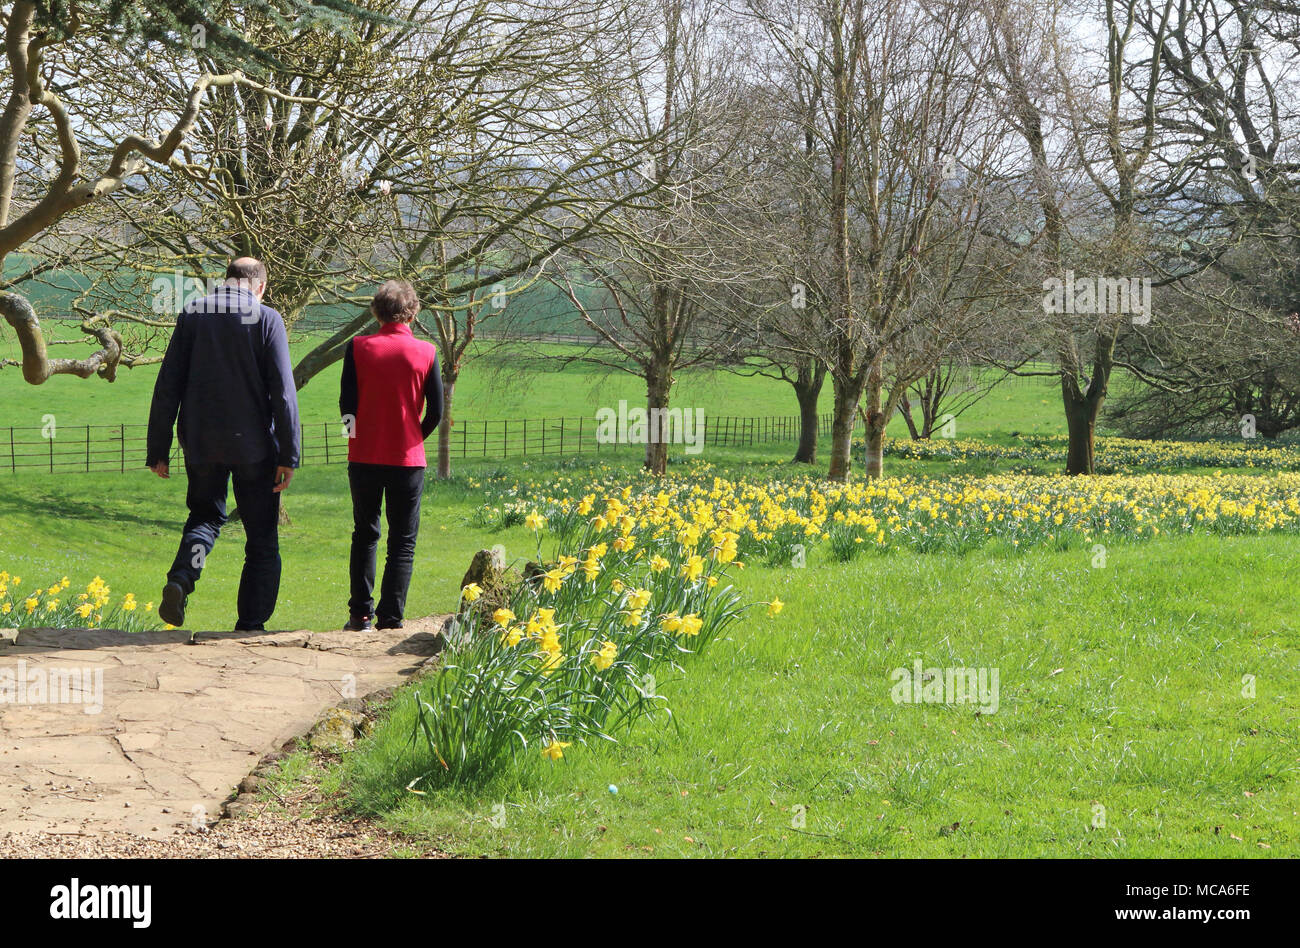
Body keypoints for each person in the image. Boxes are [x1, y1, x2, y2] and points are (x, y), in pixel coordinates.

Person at [146, 258, 301, 631]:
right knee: (261, 536)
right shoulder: (267, 319)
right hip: (254, 448)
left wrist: (158, 448)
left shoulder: (192, 314)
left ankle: (182, 578)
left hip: (200, 443)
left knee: (205, 517)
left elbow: (168, 385)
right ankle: (250, 624)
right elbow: (283, 393)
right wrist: (289, 454)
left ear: (226, 280)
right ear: (260, 286)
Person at [339, 279, 443, 631]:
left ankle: (359, 616)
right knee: (402, 542)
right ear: (412, 313)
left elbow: (346, 406)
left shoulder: (357, 347)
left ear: (376, 311)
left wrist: (353, 439)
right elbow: (436, 412)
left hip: (364, 456)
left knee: (365, 534)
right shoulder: (427, 352)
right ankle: (391, 618)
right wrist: (414, 437)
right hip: (407, 460)